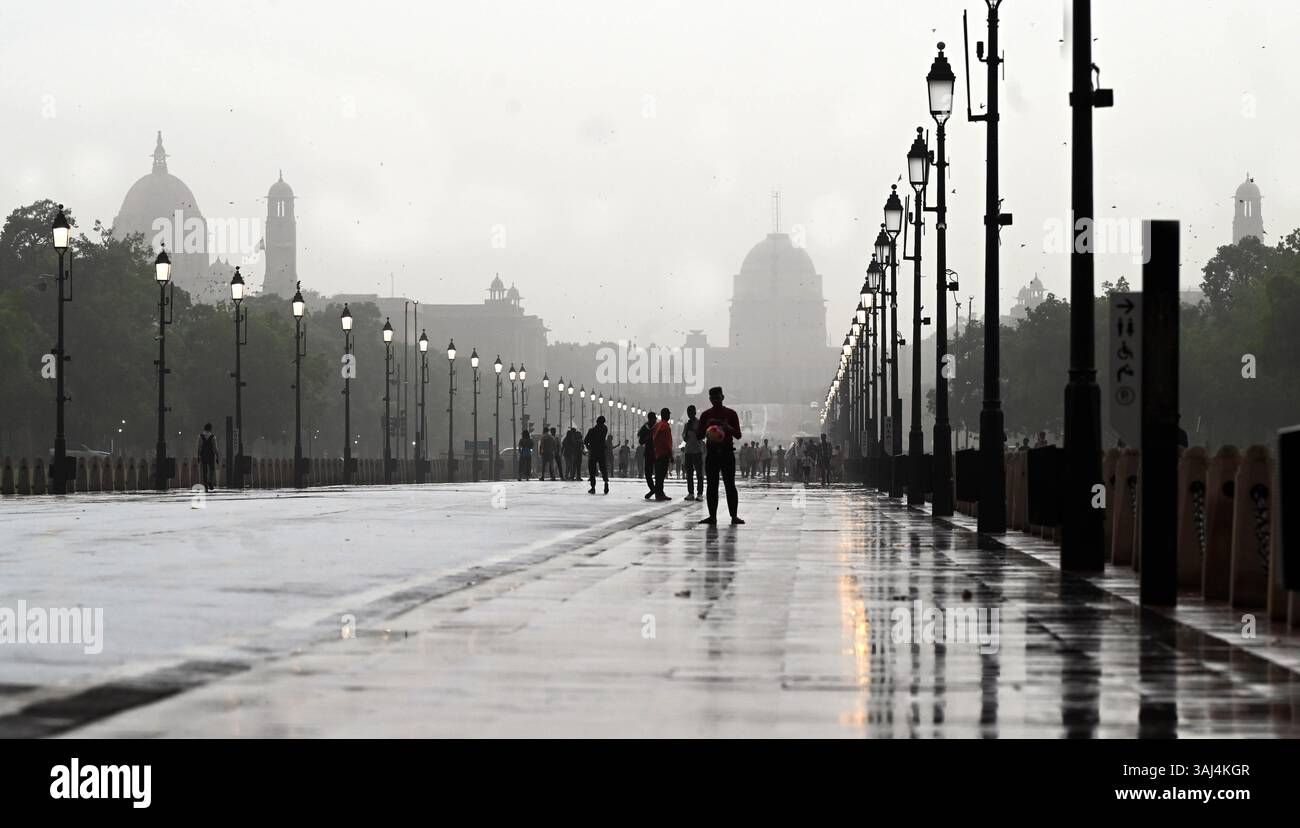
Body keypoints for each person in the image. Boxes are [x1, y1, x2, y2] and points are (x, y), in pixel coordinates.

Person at [696, 386, 744, 525]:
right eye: (713, 398)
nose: (716, 400)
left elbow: (738, 435)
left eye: (718, 397)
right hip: (712, 453)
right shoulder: (705, 415)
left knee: (730, 485)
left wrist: (727, 427)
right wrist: (707, 426)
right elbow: (699, 435)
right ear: (710, 399)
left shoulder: (731, 414)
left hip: (727, 452)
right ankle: (712, 517)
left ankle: (734, 516)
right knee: (712, 485)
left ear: (722, 397)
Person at [682, 405, 704, 501]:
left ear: (694, 412)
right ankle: (690, 493)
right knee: (689, 474)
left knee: (699, 473)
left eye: (691, 412)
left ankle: (699, 493)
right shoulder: (687, 425)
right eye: (688, 412)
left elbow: (702, 436)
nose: (690, 414)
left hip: (697, 450)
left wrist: (695, 431)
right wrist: (686, 434)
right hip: (688, 451)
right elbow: (684, 438)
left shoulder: (699, 423)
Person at [651, 407, 673, 501]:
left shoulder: (658, 425)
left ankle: (659, 492)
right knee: (661, 475)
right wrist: (670, 454)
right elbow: (666, 442)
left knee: (658, 474)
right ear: (667, 415)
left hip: (657, 451)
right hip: (663, 453)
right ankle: (659, 493)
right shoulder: (665, 427)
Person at [584, 415, 610, 494]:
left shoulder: (592, 430)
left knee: (592, 469)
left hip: (593, 451)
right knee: (603, 468)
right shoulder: (604, 429)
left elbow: (585, 441)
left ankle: (593, 487)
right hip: (601, 451)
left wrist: (588, 447)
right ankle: (606, 482)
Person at [637, 411, 658, 500]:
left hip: (655, 452)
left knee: (657, 474)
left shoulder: (656, 427)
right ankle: (654, 489)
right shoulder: (646, 428)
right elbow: (641, 441)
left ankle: (655, 490)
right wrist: (649, 437)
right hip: (651, 452)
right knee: (648, 473)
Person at [196, 423, 220, 492]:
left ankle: (205, 484)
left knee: (204, 471)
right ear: (210, 429)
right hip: (211, 456)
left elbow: (199, 447)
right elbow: (215, 448)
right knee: (212, 470)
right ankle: (210, 481)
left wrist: (198, 456)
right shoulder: (213, 437)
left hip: (203, 456)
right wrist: (217, 457)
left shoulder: (200, 436)